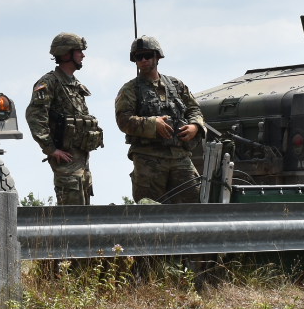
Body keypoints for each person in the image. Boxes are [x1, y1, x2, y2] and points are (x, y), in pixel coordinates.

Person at [115, 35, 207, 203]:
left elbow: (194, 109)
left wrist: (195, 126)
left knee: (193, 205)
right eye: (138, 57)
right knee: (150, 210)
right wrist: (152, 124)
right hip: (148, 160)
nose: (143, 60)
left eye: (148, 55)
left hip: (180, 157)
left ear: (157, 57)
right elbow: (123, 120)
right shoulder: (130, 90)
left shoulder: (176, 85)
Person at [25, 32, 105, 205]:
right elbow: (35, 115)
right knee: (70, 211)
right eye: (79, 51)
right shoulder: (49, 82)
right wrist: (51, 149)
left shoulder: (75, 84)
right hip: (66, 158)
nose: (83, 55)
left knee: (84, 210)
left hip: (81, 158)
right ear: (66, 53)